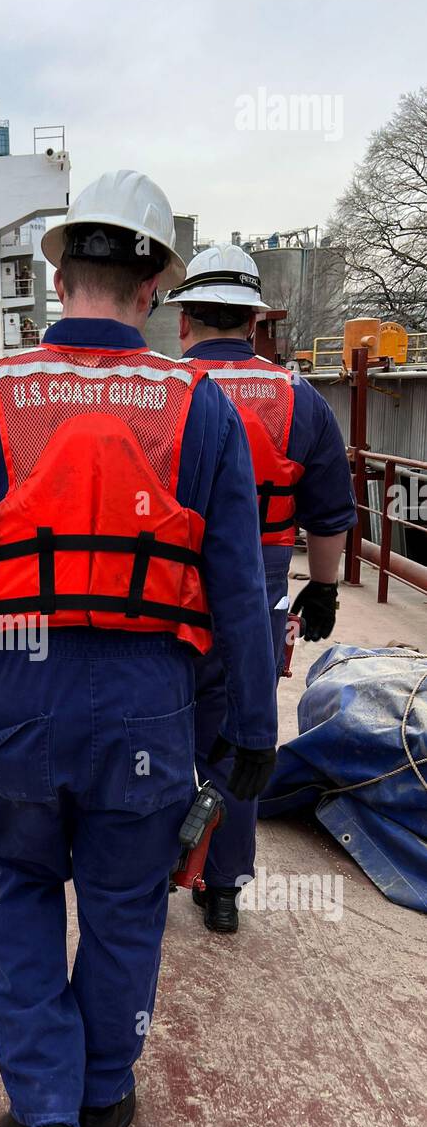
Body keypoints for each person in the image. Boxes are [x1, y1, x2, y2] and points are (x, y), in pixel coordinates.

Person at [0, 171, 278, 1127]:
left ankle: (40, 1094)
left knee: (14, 880)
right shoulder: (199, 407)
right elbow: (237, 591)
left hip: (16, 696)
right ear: (153, 284)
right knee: (121, 898)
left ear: (54, 273)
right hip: (150, 704)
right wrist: (252, 732)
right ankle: (102, 1095)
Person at [164, 245, 357, 934]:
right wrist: (325, 589)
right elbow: (332, 515)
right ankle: (221, 890)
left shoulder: (161, 392)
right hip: (264, 592)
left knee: (159, 729)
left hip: (166, 592)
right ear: (255, 321)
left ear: (185, 321)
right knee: (242, 735)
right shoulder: (299, 400)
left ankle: (156, 864)